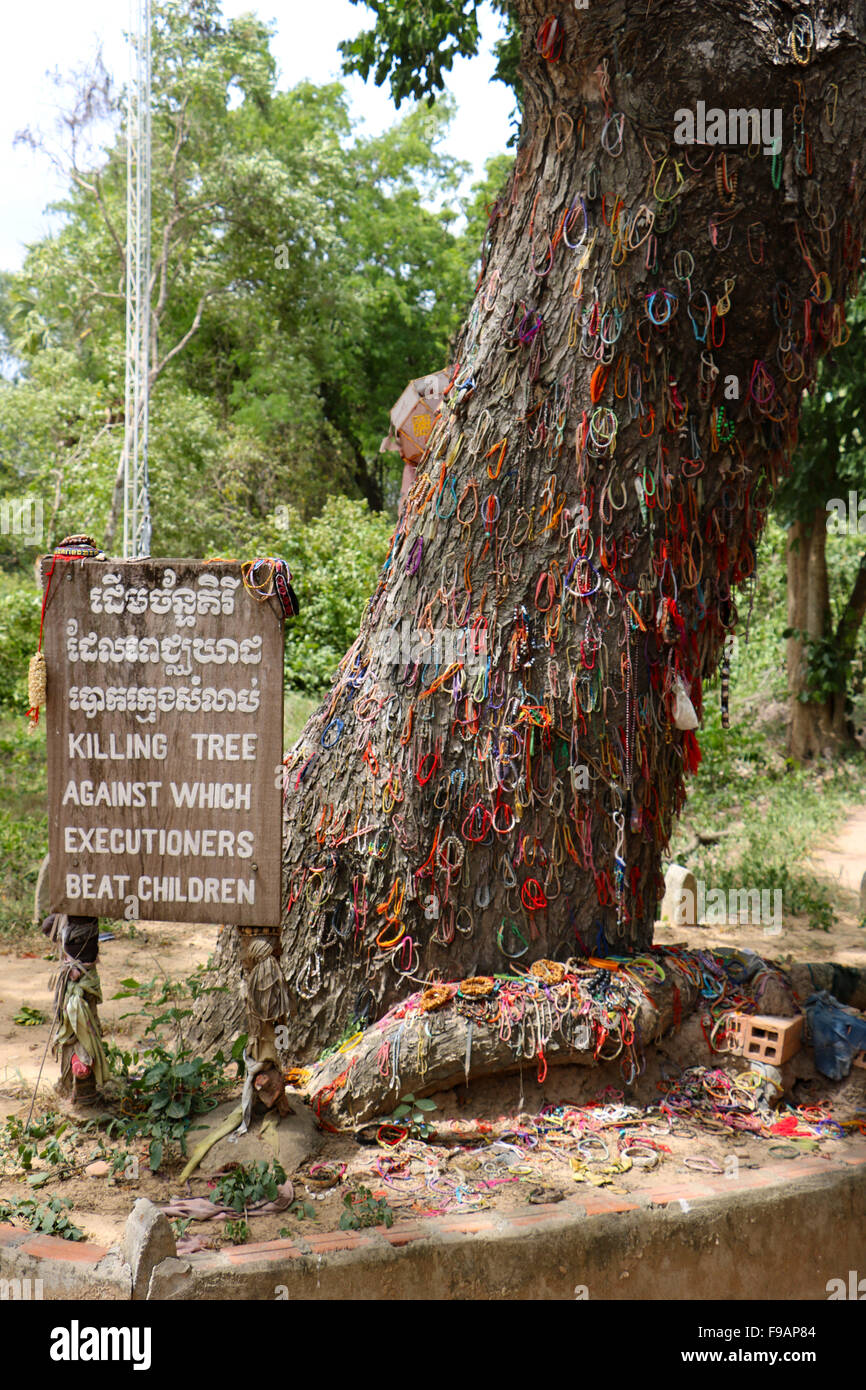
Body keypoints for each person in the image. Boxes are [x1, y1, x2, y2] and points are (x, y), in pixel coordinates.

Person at [41, 913, 109, 1105]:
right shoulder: (91, 916)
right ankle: (83, 1082)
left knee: (74, 1029)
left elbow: (46, 926)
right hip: (83, 984)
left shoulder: (67, 918)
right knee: (85, 1028)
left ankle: (81, 1080)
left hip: (76, 983)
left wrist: (58, 930)